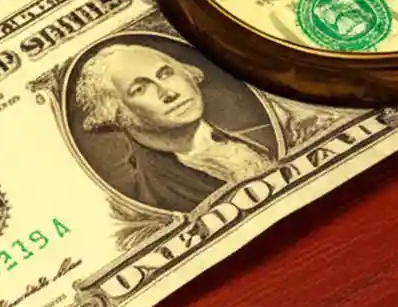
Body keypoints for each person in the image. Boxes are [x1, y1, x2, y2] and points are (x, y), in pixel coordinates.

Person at [74, 43, 277, 212]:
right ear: (117, 113)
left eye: (165, 74)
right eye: (140, 89)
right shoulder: (157, 193)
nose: (169, 93)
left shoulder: (263, 133)